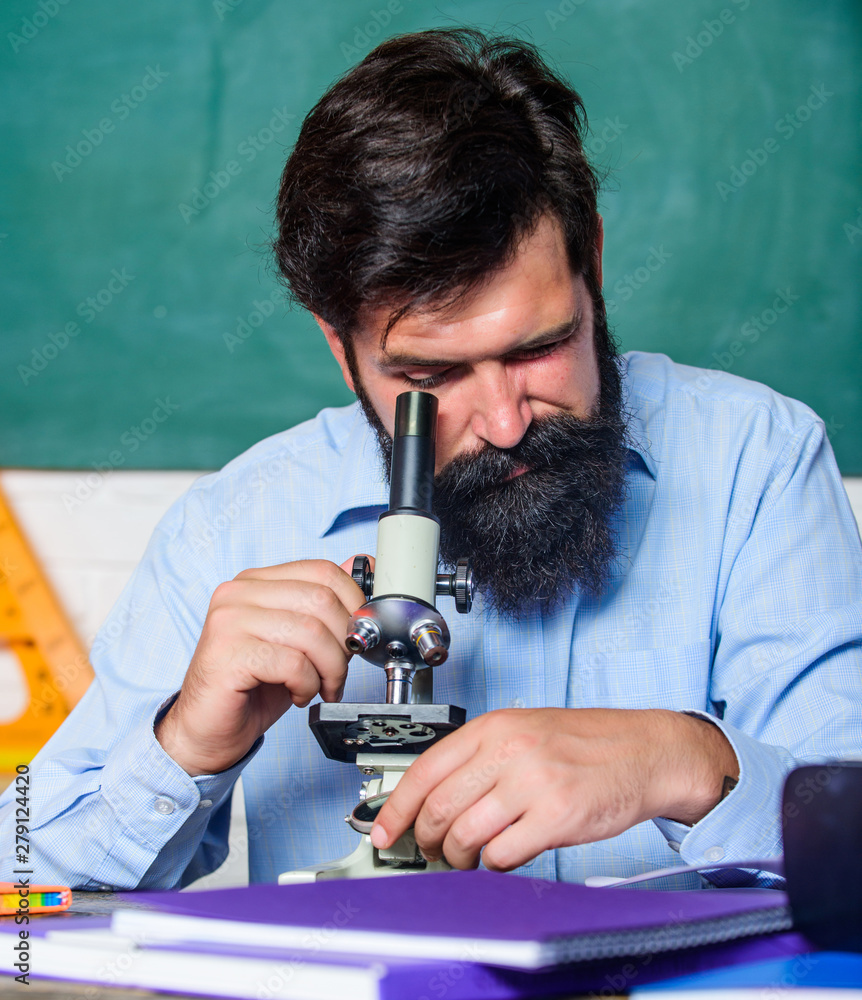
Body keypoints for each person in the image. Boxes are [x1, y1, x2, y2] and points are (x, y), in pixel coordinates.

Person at [2, 28, 860, 891]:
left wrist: (688, 762)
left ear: (591, 264)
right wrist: (187, 742)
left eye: (539, 347)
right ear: (341, 352)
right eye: (430, 375)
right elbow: (18, 885)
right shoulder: (233, 525)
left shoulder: (757, 462)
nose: (502, 422)